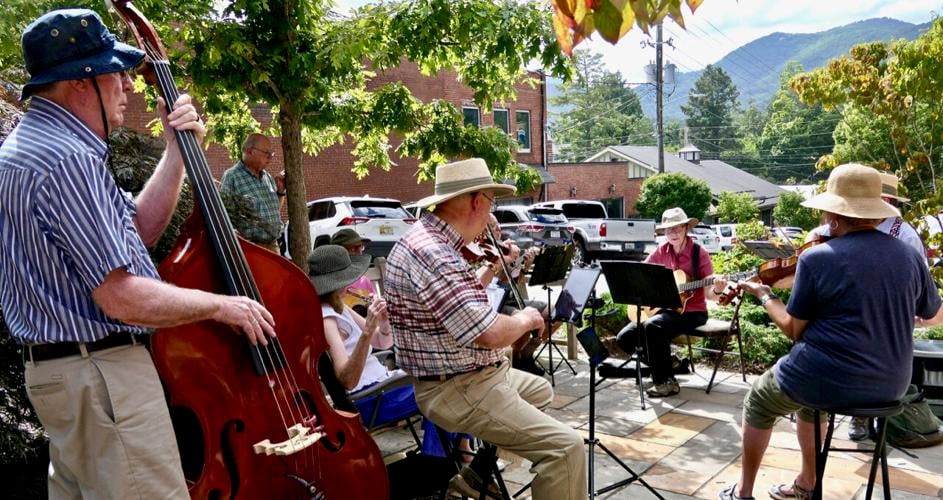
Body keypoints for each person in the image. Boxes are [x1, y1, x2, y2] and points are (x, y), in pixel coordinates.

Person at [0, 9, 276, 499]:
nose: (128, 85)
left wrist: (175, 151)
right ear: (80, 84)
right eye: (115, 74)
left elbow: (138, 231)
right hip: (102, 376)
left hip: (64, 378)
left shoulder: (35, 146)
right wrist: (220, 305)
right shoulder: (69, 158)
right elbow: (120, 297)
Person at [717, 163, 943, 500]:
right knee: (807, 402)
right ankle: (807, 483)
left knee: (760, 400)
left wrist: (764, 296)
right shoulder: (909, 255)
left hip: (829, 378)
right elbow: (935, 315)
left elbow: (793, 330)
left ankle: (744, 493)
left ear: (834, 216)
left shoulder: (818, 258)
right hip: (891, 384)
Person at [384, 158, 587, 500]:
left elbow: (464, 306)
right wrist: (527, 318)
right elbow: (487, 332)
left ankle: (476, 476)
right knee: (565, 448)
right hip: (458, 387)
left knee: (539, 391)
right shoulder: (434, 253)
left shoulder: (433, 242)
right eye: (491, 202)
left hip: (471, 375)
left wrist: (494, 268)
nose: (490, 216)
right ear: (477, 201)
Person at [806, 171, 927, 441]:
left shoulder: (904, 237)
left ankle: (857, 415)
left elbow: (920, 289)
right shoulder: (833, 228)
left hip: (882, 322)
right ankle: (825, 412)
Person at [616, 207, 726, 397]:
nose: (673, 233)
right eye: (668, 229)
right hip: (664, 311)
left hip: (692, 313)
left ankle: (666, 382)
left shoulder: (699, 254)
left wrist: (717, 288)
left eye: (677, 228)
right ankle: (670, 363)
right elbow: (642, 275)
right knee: (625, 338)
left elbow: (710, 294)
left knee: (653, 327)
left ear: (685, 228)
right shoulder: (661, 251)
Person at [476, 214, 546, 376]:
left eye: (498, 225)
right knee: (524, 319)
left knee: (553, 311)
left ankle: (525, 354)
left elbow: (514, 282)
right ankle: (516, 358)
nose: (499, 229)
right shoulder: (482, 252)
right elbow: (496, 286)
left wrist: (524, 266)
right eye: (493, 226)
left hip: (512, 298)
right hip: (498, 303)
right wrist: (500, 264)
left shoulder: (502, 248)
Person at [219, 132, 286, 252]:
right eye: (267, 153)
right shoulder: (232, 177)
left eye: (271, 154)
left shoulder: (267, 177)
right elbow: (223, 217)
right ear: (250, 151)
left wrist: (280, 192)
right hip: (252, 250)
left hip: (274, 246)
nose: (270, 157)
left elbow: (273, 212)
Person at [330, 228, 381, 321]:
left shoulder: (364, 281)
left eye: (361, 247)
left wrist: (374, 306)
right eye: (353, 248)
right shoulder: (329, 284)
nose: (360, 252)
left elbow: (376, 309)